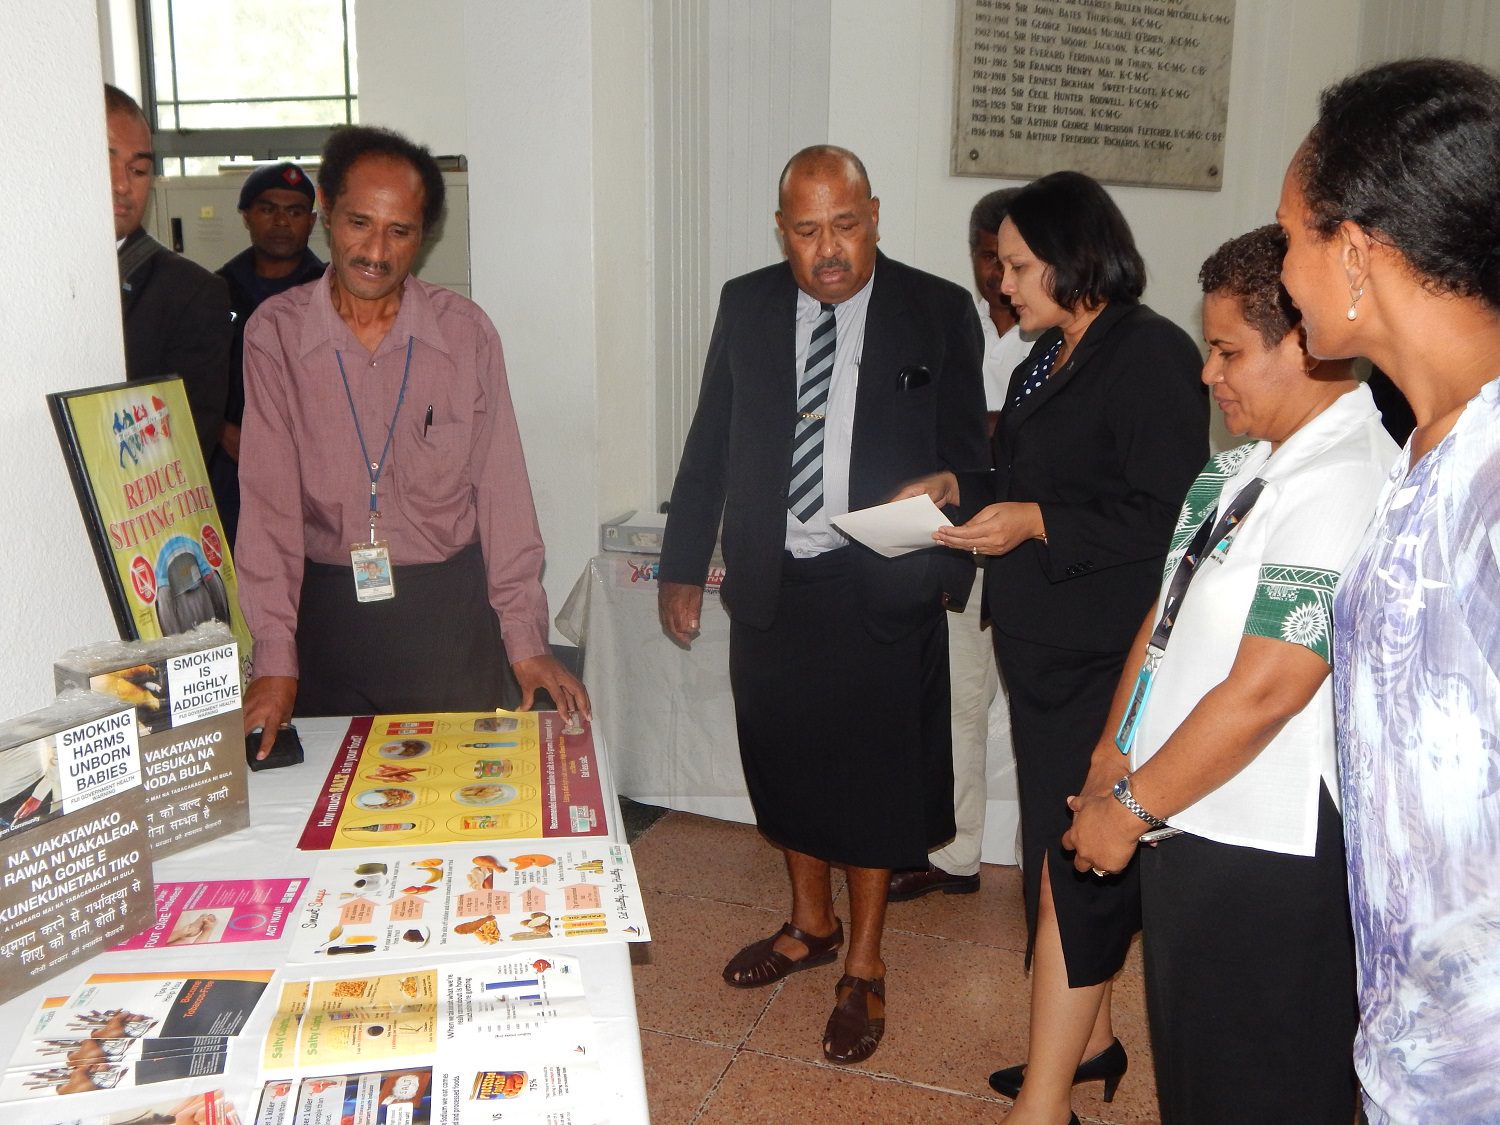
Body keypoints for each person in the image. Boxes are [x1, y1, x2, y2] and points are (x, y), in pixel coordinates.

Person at [658, 144, 987, 1064]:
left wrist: (951, 512)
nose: (828, 249)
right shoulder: (747, 302)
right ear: (783, 230)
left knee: (873, 780)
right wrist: (686, 564)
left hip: (879, 581)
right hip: (774, 578)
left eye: (845, 225)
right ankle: (809, 925)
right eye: (807, 231)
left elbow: (973, 452)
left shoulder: (937, 309)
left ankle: (867, 961)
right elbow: (709, 443)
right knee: (789, 763)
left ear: (874, 215)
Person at [1064, 224, 1395, 1124]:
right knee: (1200, 1079)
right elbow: (1161, 619)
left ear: (1306, 342)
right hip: (1189, 817)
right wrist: (1112, 752)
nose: (1209, 375)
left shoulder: (1347, 479)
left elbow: (1266, 692)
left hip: (1269, 853)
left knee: (1261, 1086)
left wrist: (1126, 815)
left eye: (1227, 352)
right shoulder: (1235, 471)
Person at [928, 170, 1207, 1124]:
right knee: (1055, 853)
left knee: (1082, 863)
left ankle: (1047, 1104)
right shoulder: (1050, 352)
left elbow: (1167, 517)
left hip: (1102, 653)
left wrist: (1039, 520)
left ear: (1070, 251)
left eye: (1015, 264)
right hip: (1045, 653)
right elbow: (1031, 471)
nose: (1002, 284)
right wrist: (959, 486)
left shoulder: (1151, 352)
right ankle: (1091, 1045)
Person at [1277, 57, 1500, 1124]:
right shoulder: (1431, 446)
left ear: (1355, 253)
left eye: (1289, 241)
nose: (1283, 273)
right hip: (1410, 1048)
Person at [236, 125, 589, 757]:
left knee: (456, 811)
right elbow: (268, 508)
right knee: (329, 813)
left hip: (446, 619)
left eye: (399, 231)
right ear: (325, 210)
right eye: (358, 223)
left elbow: (503, 494)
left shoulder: (466, 335)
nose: (376, 250)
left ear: (423, 237)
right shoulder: (276, 335)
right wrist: (274, 657)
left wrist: (528, 643)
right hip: (326, 616)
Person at [890, 187, 1030, 902]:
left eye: (1008, 260)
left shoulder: (1045, 336)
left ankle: (1009, 856)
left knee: (1015, 706)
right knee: (960, 702)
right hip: (963, 537)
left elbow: (1004, 443)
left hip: (1025, 540)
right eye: (985, 257)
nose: (995, 275)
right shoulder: (958, 322)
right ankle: (954, 852)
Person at [107, 84, 231, 463]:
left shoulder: (189, 293)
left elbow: (182, 453)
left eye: (139, 170)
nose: (122, 185)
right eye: (104, 160)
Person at [212, 161, 326, 547]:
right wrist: (222, 431)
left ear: (311, 222)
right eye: (268, 209)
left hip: (314, 465)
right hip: (234, 465)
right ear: (246, 216)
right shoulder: (214, 291)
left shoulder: (332, 294)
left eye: (294, 211)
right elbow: (194, 379)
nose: (281, 221)